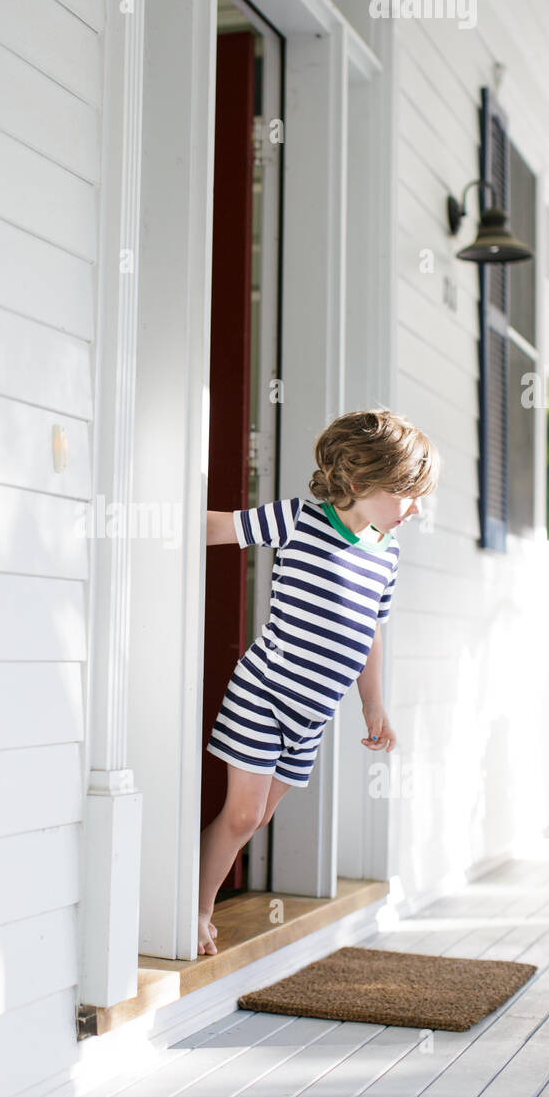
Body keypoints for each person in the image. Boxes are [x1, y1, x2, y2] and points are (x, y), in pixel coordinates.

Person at [200, 408, 442, 957]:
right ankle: (195, 909)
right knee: (241, 813)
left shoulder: (388, 554)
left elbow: (371, 630)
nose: (416, 509)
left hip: (314, 712)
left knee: (257, 817)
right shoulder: (300, 520)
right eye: (407, 494)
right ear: (359, 483)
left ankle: (187, 894)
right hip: (265, 691)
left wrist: (374, 704)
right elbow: (223, 527)